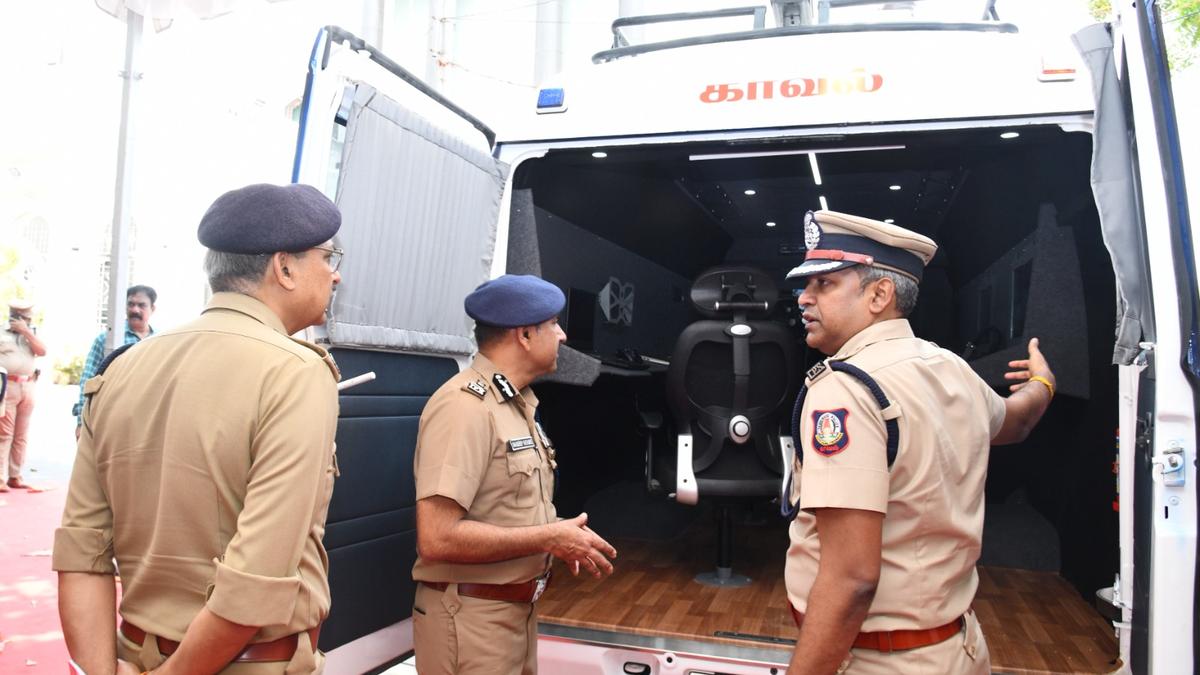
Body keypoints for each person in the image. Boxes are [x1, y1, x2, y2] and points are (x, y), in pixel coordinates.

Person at [53, 183, 345, 675]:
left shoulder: (123, 367)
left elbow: (82, 551)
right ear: (285, 268)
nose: (335, 276)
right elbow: (255, 577)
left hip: (129, 658)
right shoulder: (295, 372)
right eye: (329, 258)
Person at [782, 210, 1055, 675]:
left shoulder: (845, 389)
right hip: (959, 648)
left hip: (878, 659)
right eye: (805, 287)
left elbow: (852, 579)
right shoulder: (951, 367)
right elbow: (1017, 421)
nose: (803, 299)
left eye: (824, 284)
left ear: (879, 294)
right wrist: (1043, 383)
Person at [412, 274, 619, 675]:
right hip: (471, 624)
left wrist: (560, 534)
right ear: (524, 334)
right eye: (553, 324)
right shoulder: (464, 408)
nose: (562, 335)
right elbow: (436, 538)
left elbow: (501, 510)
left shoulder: (515, 404)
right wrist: (548, 536)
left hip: (512, 616)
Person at [74, 285, 158, 438]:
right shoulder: (107, 339)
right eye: (131, 304)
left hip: (147, 424)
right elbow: (88, 380)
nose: (135, 310)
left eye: (141, 305)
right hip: (112, 420)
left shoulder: (160, 341)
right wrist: (81, 422)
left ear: (153, 308)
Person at [0, 298, 47, 492]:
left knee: (21, 434)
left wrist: (26, 332)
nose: (25, 321)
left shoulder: (32, 333)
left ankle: (15, 475)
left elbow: (42, 351)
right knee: (4, 433)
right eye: (21, 318)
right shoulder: (2, 331)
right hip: (7, 384)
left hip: (28, 384)